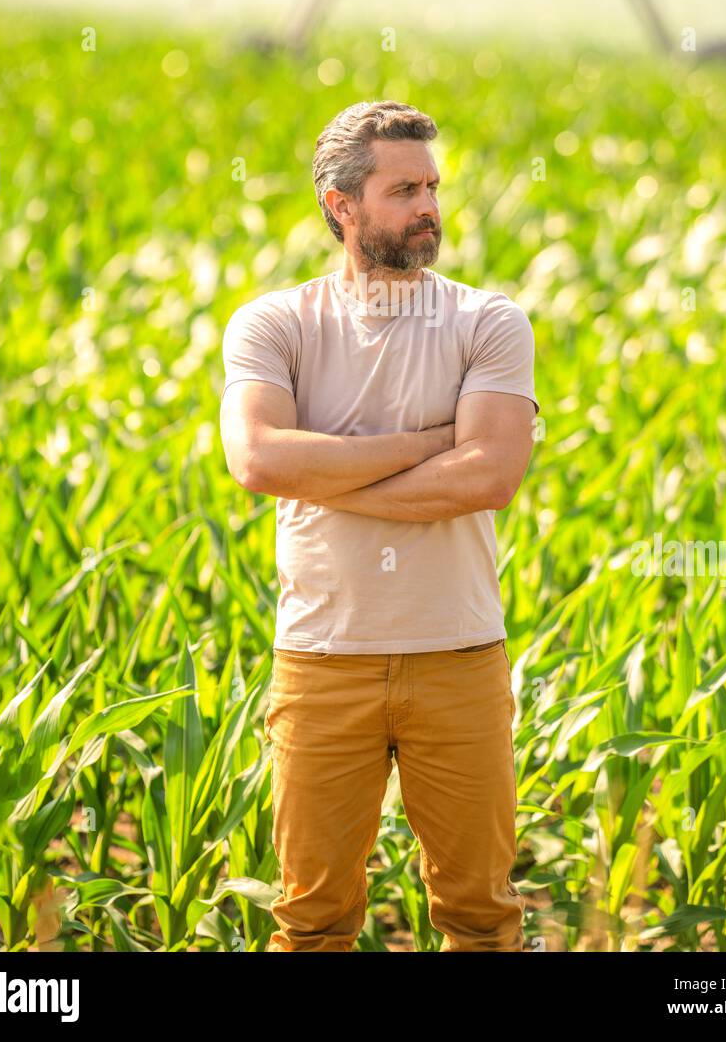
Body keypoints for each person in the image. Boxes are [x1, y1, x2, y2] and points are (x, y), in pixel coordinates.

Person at [219, 99, 539, 951]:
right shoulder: (275, 324)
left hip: (459, 656)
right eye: (404, 189)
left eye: (432, 186)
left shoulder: (488, 322)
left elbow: (492, 475)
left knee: (480, 914)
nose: (429, 206)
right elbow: (256, 461)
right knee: (312, 919)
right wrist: (426, 447)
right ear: (342, 206)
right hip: (322, 661)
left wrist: (322, 473)